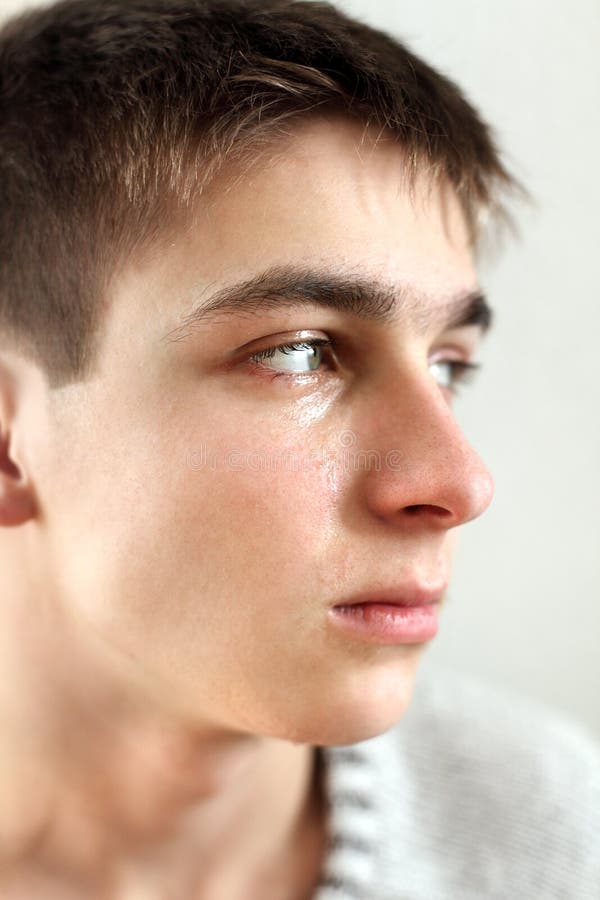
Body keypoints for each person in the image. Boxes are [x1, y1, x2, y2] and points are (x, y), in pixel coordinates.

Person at [0, 0, 598, 898]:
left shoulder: (549, 835)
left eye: (448, 365)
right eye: (296, 353)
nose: (459, 483)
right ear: (11, 439)